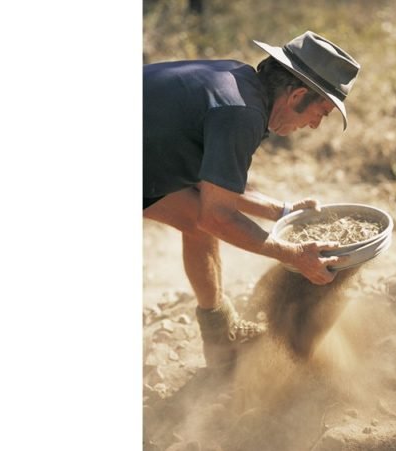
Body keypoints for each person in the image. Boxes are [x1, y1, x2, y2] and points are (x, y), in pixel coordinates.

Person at [143, 31, 360, 369]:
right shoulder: (241, 113)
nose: (316, 125)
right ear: (298, 95)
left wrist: (281, 210)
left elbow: (215, 182)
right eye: (322, 112)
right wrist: (294, 254)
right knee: (204, 224)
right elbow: (216, 215)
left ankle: (220, 335)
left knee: (194, 225)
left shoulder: (240, 83)